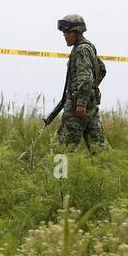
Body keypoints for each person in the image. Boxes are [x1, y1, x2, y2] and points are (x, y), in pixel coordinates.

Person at [54, 14, 108, 152]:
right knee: (99, 147)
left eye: (67, 32)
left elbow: (86, 78)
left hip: (77, 106)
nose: (65, 35)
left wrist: (81, 103)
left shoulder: (81, 49)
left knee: (64, 147)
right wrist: (91, 91)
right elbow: (101, 69)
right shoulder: (88, 47)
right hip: (90, 104)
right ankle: (107, 166)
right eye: (64, 33)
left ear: (77, 32)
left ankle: (61, 168)